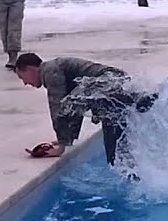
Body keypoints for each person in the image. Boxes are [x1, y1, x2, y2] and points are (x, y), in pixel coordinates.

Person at [13, 53, 157, 167]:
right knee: (114, 152)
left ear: (30, 69)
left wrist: (61, 146)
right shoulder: (58, 71)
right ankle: (131, 174)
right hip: (111, 88)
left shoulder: (50, 70)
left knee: (71, 102)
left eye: (22, 77)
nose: (25, 83)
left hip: (108, 81)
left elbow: (58, 107)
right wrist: (66, 139)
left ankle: (138, 98)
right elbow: (76, 111)